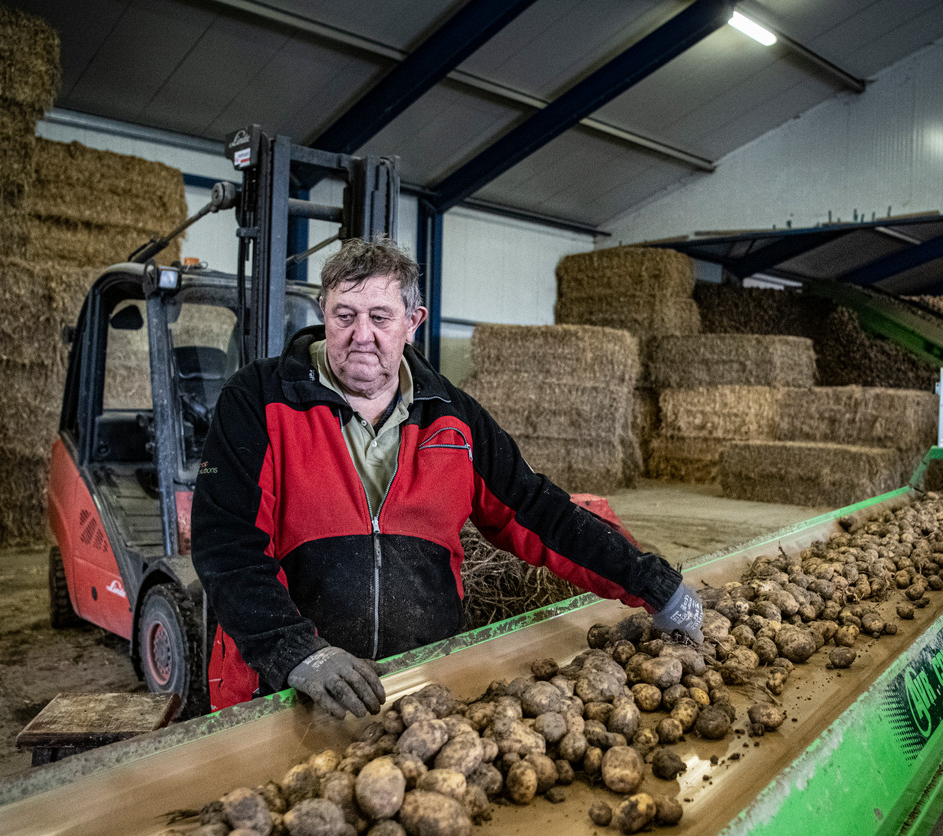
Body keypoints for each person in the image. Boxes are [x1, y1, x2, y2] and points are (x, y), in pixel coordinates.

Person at [191, 238, 702, 718]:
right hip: (283, 688)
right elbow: (228, 546)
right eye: (344, 315)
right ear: (324, 311)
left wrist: (650, 582)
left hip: (422, 691)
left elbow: (539, 512)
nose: (361, 335)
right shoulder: (258, 399)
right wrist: (297, 652)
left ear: (412, 322)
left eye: (380, 317)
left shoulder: (453, 416)